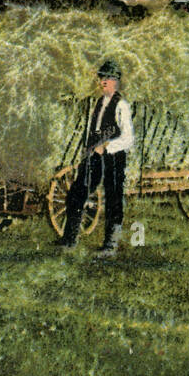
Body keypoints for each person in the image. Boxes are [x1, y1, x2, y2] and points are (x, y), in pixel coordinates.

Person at [54, 59, 134, 258]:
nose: (104, 82)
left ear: (116, 81)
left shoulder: (121, 105)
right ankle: (70, 239)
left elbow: (128, 138)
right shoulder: (98, 103)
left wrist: (108, 146)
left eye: (108, 78)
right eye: (102, 78)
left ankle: (110, 245)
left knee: (114, 197)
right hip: (94, 157)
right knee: (77, 192)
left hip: (114, 159)